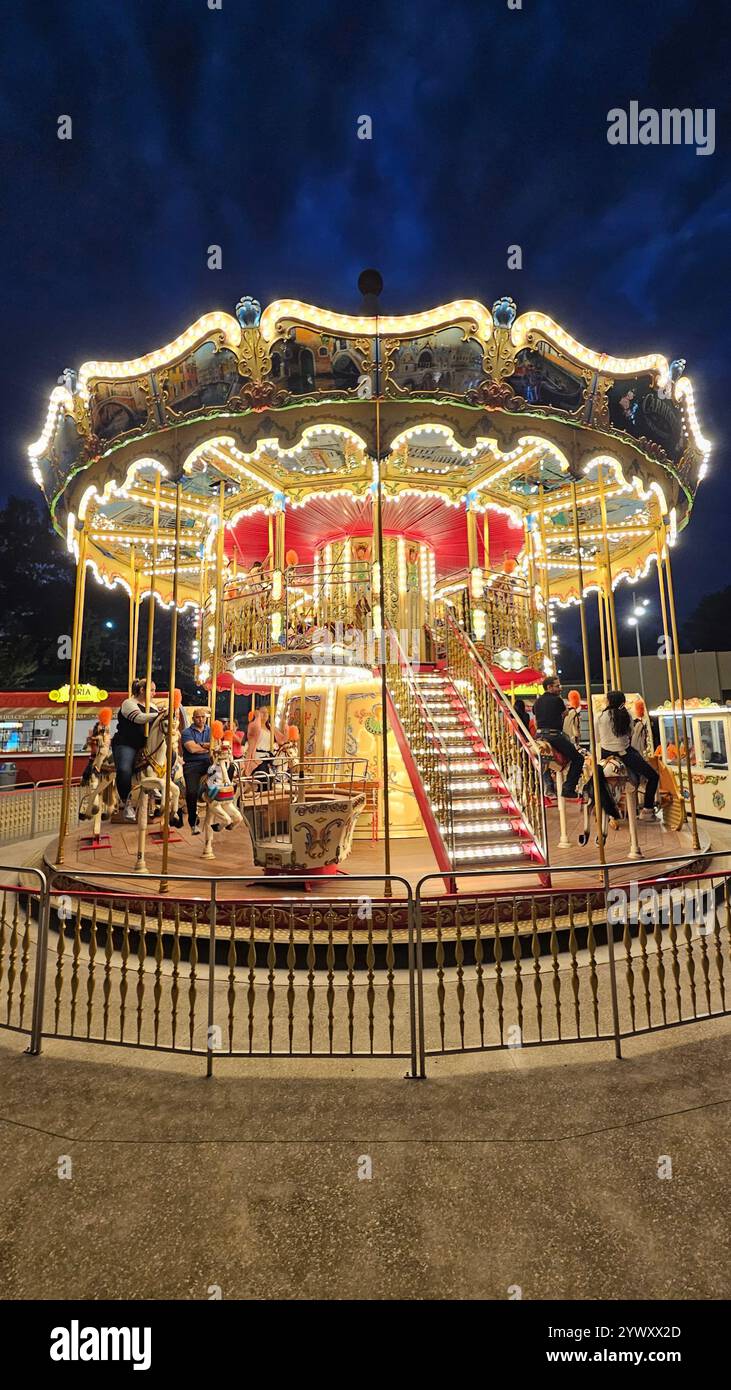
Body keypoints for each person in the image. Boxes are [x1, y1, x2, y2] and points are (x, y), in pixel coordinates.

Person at [597, 690, 659, 818]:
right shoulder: (627, 715)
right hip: (624, 753)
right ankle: (647, 808)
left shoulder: (600, 717)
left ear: (609, 701)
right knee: (653, 776)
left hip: (605, 753)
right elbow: (630, 734)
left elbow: (597, 738)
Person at [111, 680, 160, 821]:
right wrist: (159, 715)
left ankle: (155, 786)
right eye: (151, 690)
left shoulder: (153, 706)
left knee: (171, 757)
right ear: (142, 690)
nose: (154, 693)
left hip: (144, 743)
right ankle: (126, 802)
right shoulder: (129, 703)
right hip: (127, 742)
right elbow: (139, 718)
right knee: (124, 769)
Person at [532, 675, 585, 798]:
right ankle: (569, 787)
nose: (560, 688)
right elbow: (564, 714)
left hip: (539, 735)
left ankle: (548, 787)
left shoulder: (537, 701)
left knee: (542, 761)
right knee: (578, 758)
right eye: (557, 686)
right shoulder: (557, 700)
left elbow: (536, 718)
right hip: (554, 736)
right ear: (549, 687)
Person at [181, 708, 211, 834]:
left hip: (208, 762)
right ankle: (193, 822)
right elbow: (192, 749)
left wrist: (202, 745)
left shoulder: (210, 730)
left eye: (203, 717)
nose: (201, 719)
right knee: (191, 792)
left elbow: (216, 745)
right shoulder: (187, 732)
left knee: (228, 770)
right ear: (193, 719)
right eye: (198, 717)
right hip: (192, 765)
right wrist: (206, 746)